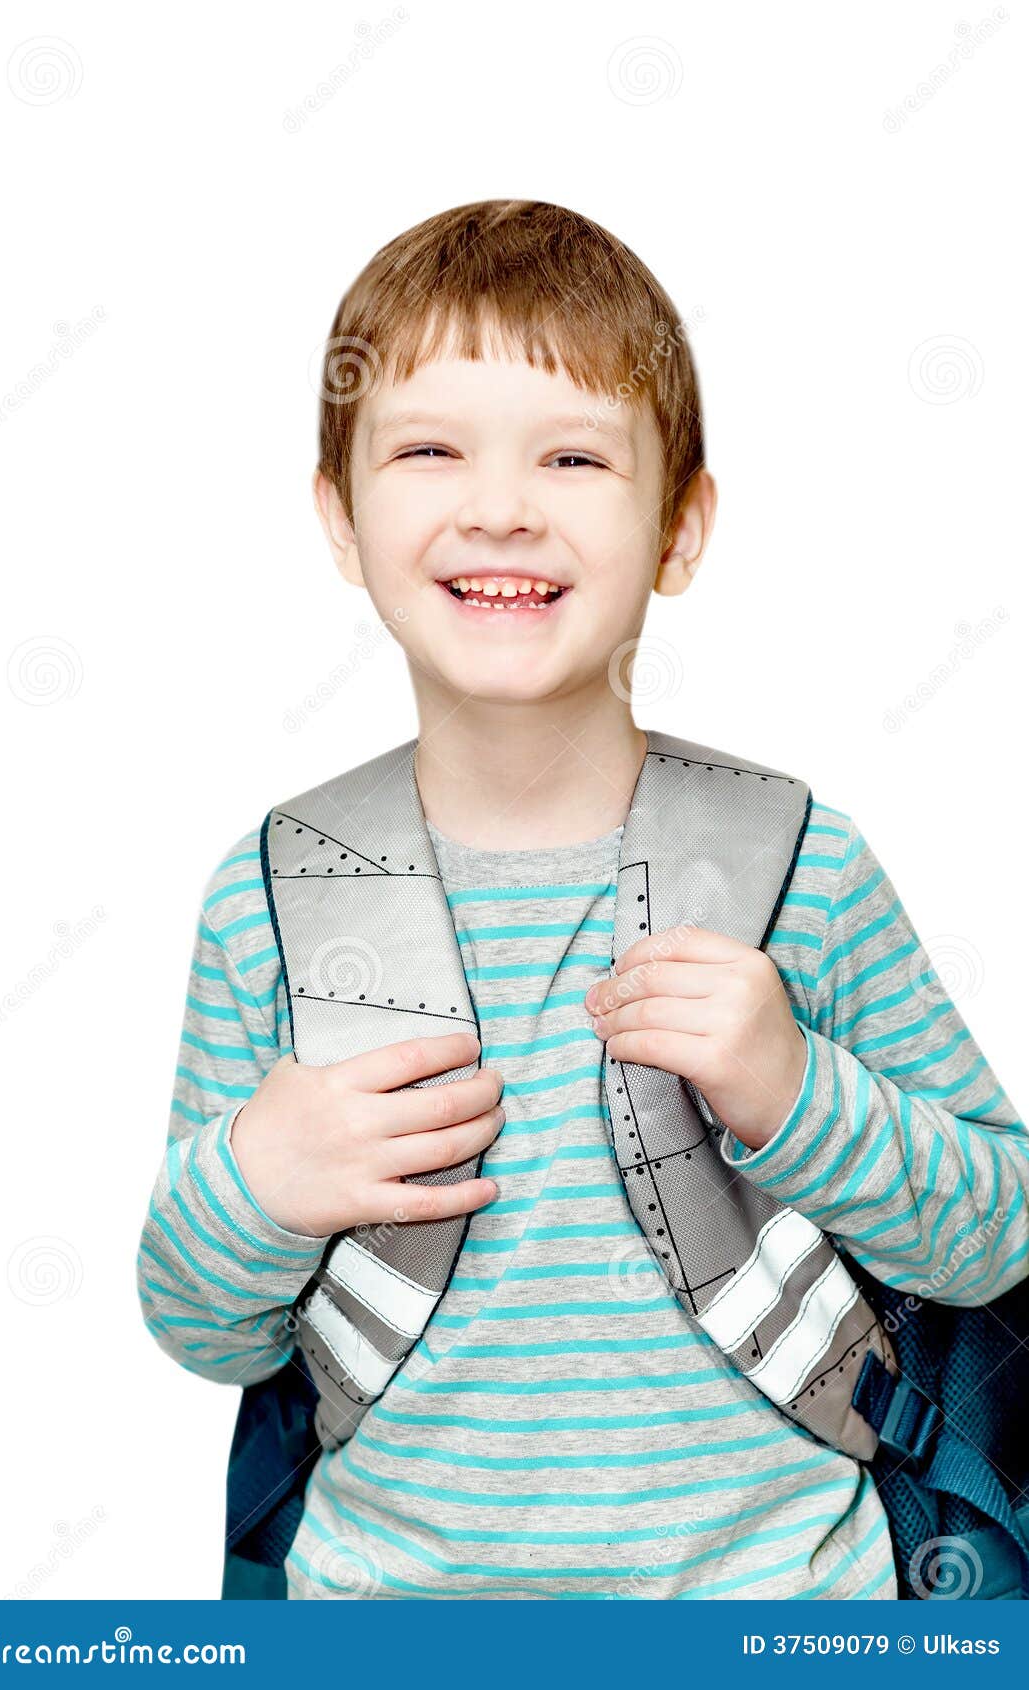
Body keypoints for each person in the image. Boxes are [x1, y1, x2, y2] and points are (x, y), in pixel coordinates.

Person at [136, 199, 1028, 1599]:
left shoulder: (800, 865)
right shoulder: (279, 894)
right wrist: (258, 1180)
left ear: (680, 528)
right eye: (428, 449)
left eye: (573, 456)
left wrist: (800, 1094)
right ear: (340, 518)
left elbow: (997, 1233)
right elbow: (206, 1332)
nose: (501, 506)